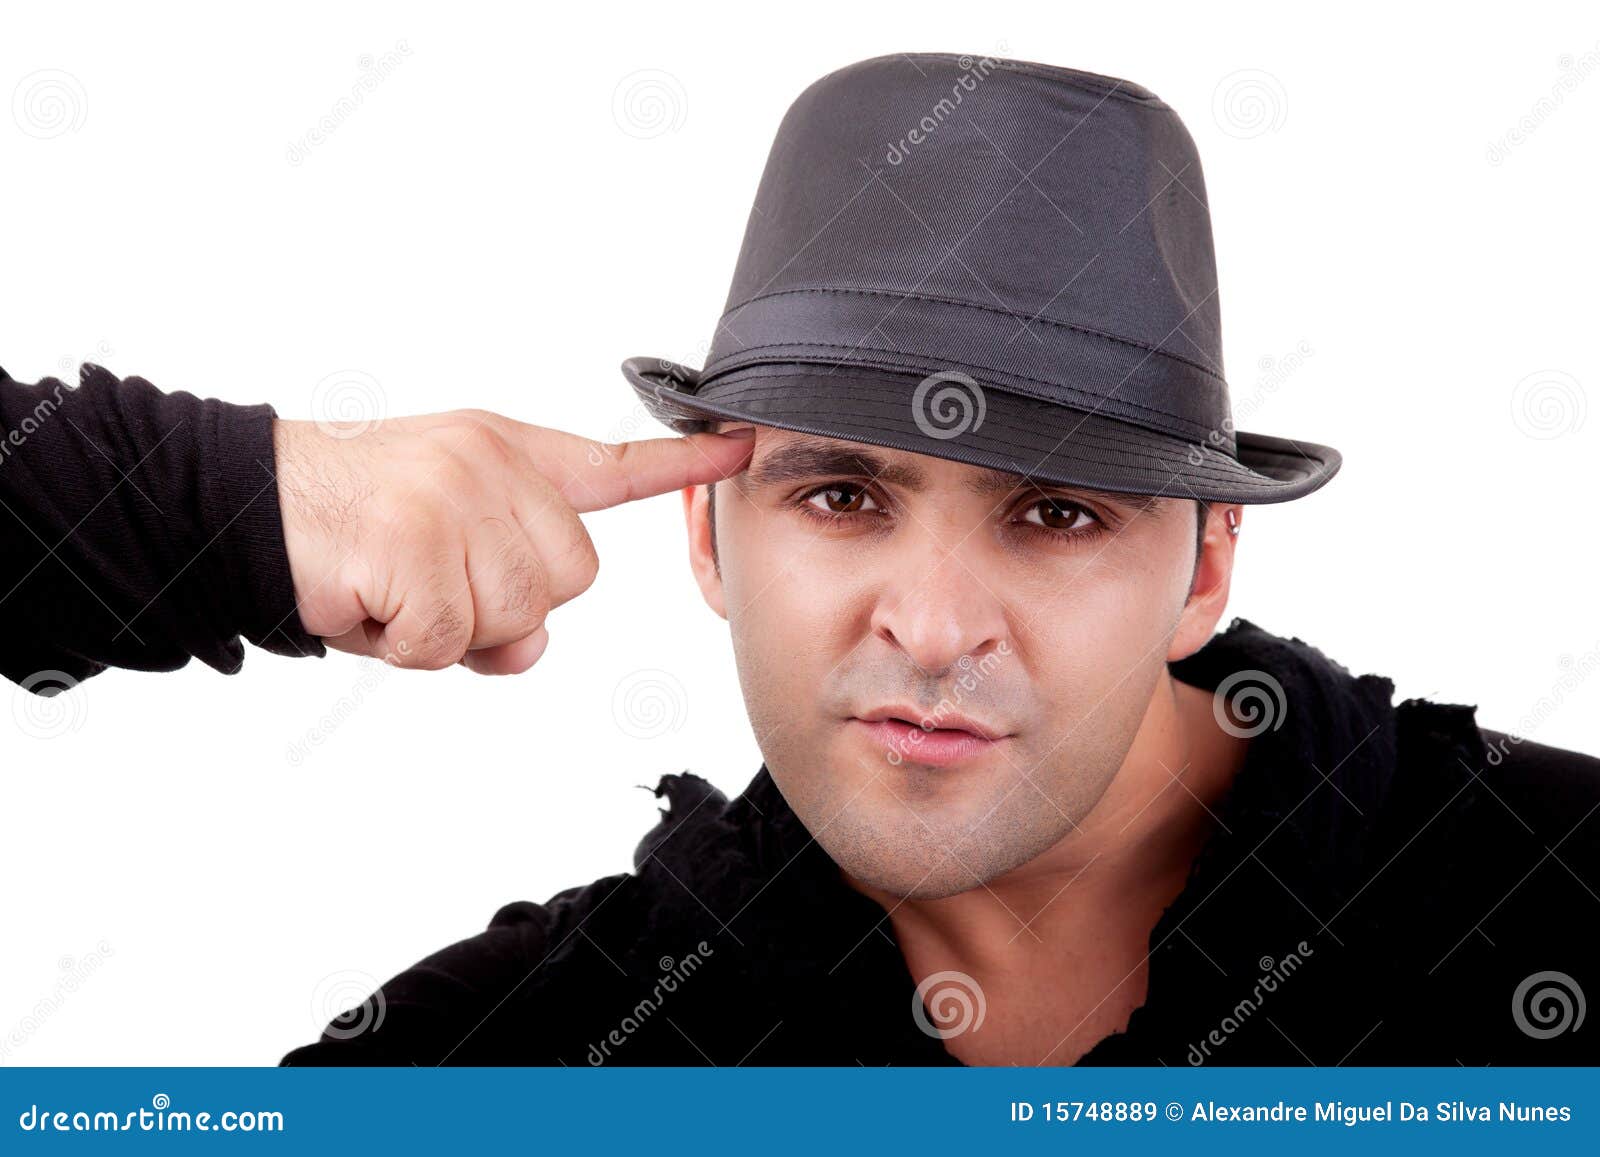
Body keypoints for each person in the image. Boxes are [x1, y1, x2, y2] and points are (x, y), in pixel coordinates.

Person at [5, 53, 1597, 1067]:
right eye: (842, 495)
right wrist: (212, 511)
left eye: (1055, 513)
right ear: (707, 527)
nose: (932, 621)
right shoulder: (506, 1068)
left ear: (1203, 565)